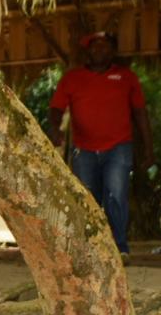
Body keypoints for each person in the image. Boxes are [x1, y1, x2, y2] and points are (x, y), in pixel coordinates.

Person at [47, 32, 153, 256]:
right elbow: (56, 109)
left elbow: (140, 113)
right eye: (95, 47)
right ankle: (90, 248)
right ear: (87, 51)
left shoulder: (126, 77)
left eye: (105, 47)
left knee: (116, 195)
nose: (99, 51)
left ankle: (119, 247)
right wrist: (54, 129)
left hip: (119, 147)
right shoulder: (72, 78)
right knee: (86, 199)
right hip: (83, 149)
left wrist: (148, 148)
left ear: (112, 51)